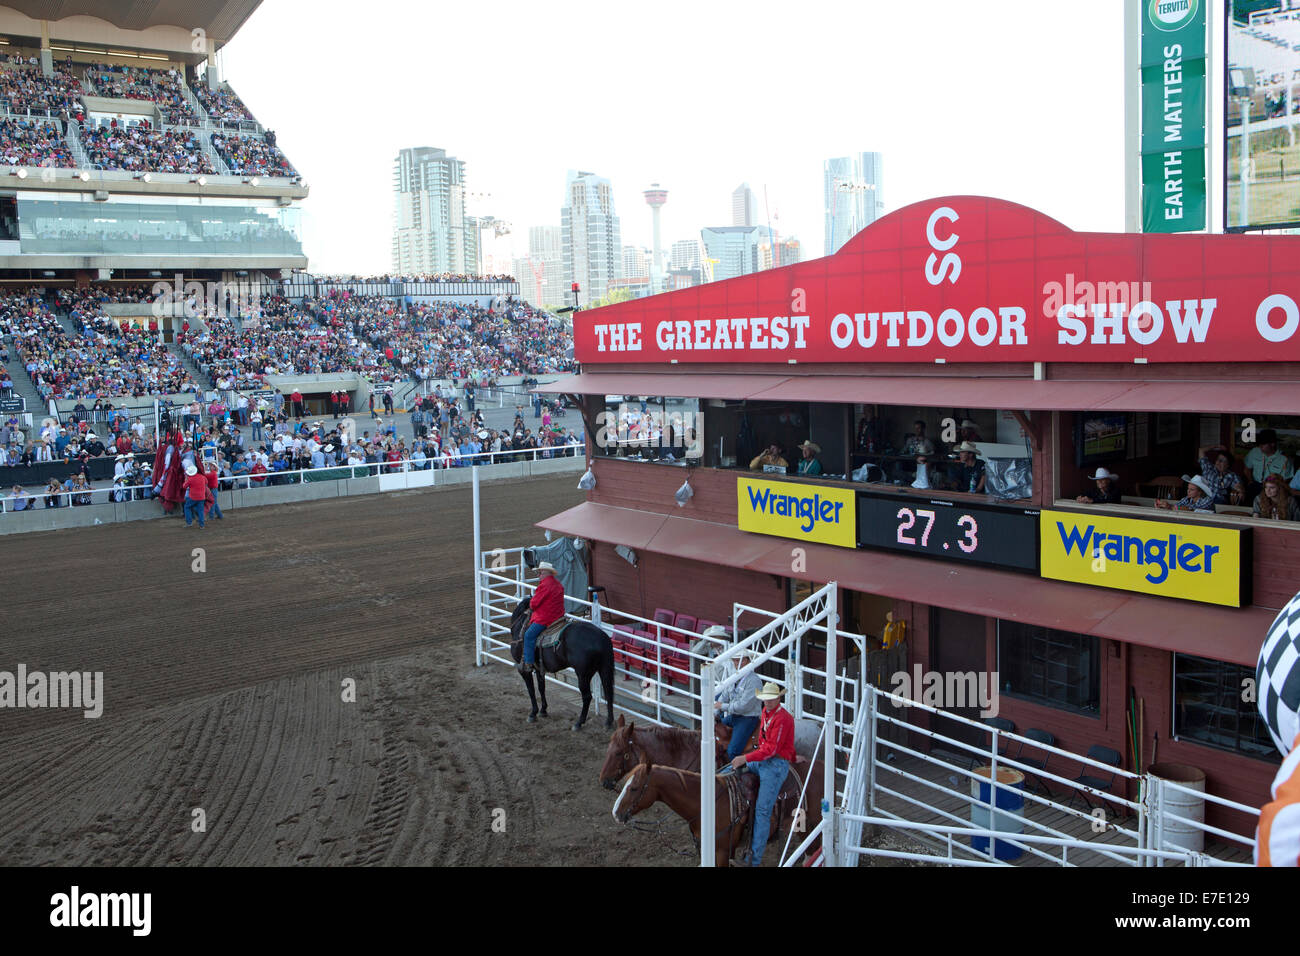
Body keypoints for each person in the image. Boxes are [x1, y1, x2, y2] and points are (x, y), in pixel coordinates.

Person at [728, 681, 796, 867]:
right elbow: (765, 745)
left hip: (775, 766)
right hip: (764, 761)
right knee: (731, 771)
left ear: (778, 698)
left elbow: (772, 750)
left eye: (771, 699)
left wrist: (745, 758)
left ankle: (754, 860)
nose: (767, 702)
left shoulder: (782, 718)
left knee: (763, 811)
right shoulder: (766, 713)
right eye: (765, 699)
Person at [714, 647, 762, 763]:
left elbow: (743, 707)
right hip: (736, 716)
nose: (737, 663)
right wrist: (715, 712)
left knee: (733, 751)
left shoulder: (754, 681)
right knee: (713, 732)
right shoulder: (734, 677)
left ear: (748, 661)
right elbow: (724, 694)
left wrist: (721, 706)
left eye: (741, 660)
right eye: (735, 660)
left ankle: (735, 773)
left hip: (748, 718)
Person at [519, 562, 564, 675]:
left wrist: (532, 602)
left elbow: (533, 604)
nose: (538, 574)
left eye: (540, 572)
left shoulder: (544, 585)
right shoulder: (557, 584)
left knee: (529, 635)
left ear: (546, 572)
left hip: (545, 618)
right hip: (558, 617)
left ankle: (528, 663)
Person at [1244, 430, 1293, 499]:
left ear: (1272, 444)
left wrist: (1273, 489)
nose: (1260, 446)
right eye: (1259, 443)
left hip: (1273, 488)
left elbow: (1285, 480)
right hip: (1255, 485)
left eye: (1263, 444)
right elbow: (1247, 469)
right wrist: (1250, 481)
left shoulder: (1285, 459)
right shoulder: (1254, 451)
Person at [182, 463, 208, 528]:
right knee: (200, 510)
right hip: (202, 496)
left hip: (193, 497)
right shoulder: (202, 477)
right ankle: (202, 525)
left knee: (187, 507)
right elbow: (206, 482)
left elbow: (184, 487)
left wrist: (186, 480)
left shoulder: (190, 479)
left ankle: (189, 522)